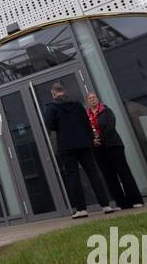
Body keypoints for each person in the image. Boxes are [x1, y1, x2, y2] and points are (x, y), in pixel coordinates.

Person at [41, 82, 114, 218]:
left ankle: (81, 209)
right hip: (84, 143)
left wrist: (60, 126)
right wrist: (90, 139)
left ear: (53, 93)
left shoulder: (51, 107)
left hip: (66, 145)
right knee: (93, 173)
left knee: (73, 176)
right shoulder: (77, 104)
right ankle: (105, 205)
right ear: (63, 90)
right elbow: (86, 122)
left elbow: (49, 124)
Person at [86, 92, 143, 209]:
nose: (93, 100)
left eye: (94, 97)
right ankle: (121, 203)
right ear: (87, 101)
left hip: (113, 145)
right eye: (90, 98)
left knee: (123, 172)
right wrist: (92, 141)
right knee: (109, 176)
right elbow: (85, 131)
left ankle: (136, 200)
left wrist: (100, 139)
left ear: (97, 99)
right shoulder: (86, 116)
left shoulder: (106, 111)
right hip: (99, 150)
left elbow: (110, 127)